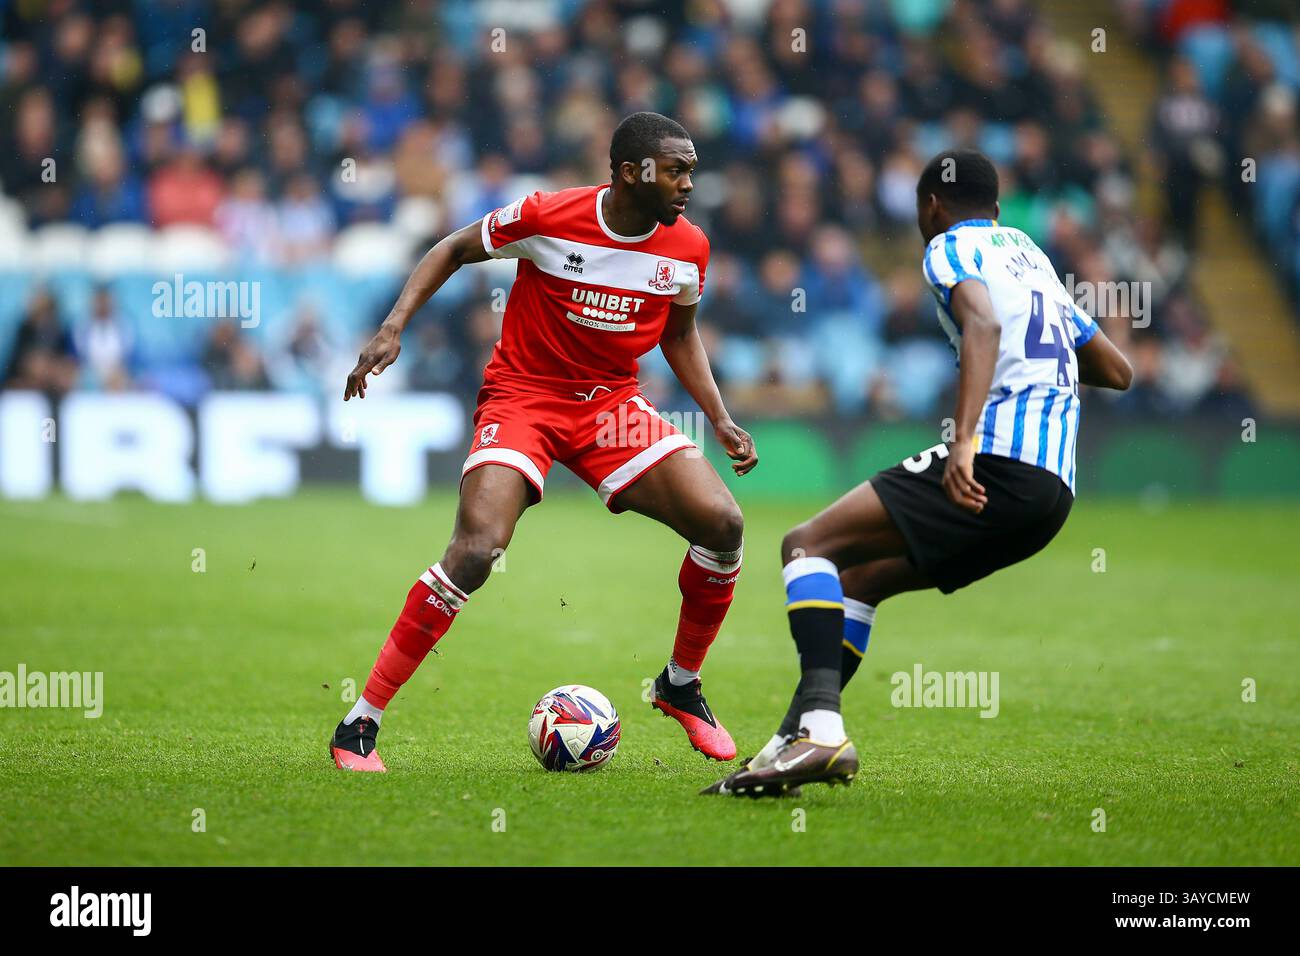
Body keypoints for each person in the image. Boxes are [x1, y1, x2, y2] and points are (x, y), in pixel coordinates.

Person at [330, 112, 757, 772]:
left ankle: (680, 684)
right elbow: (452, 248)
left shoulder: (688, 248)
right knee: (476, 551)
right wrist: (393, 328)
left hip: (612, 406)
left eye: (692, 171)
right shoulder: (548, 217)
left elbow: (678, 333)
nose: (688, 183)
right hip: (525, 396)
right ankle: (361, 723)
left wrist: (719, 415)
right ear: (628, 173)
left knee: (723, 523)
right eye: (676, 170)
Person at [704, 148, 1133, 797]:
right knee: (861, 581)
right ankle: (791, 742)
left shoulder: (949, 248)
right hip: (1052, 493)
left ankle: (821, 733)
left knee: (806, 545)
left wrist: (963, 442)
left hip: (997, 461)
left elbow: (983, 323)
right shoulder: (1029, 255)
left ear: (931, 205)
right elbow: (1116, 370)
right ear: (995, 206)